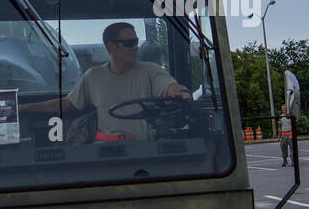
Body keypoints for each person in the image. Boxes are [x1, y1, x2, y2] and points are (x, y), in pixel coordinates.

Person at [21, 22, 189, 140]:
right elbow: (67, 103)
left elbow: (170, 86)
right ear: (111, 47)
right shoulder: (93, 76)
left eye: (136, 42)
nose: (136, 47)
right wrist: (24, 108)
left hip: (143, 149)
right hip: (103, 151)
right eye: (129, 43)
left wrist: (179, 92)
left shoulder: (151, 71)